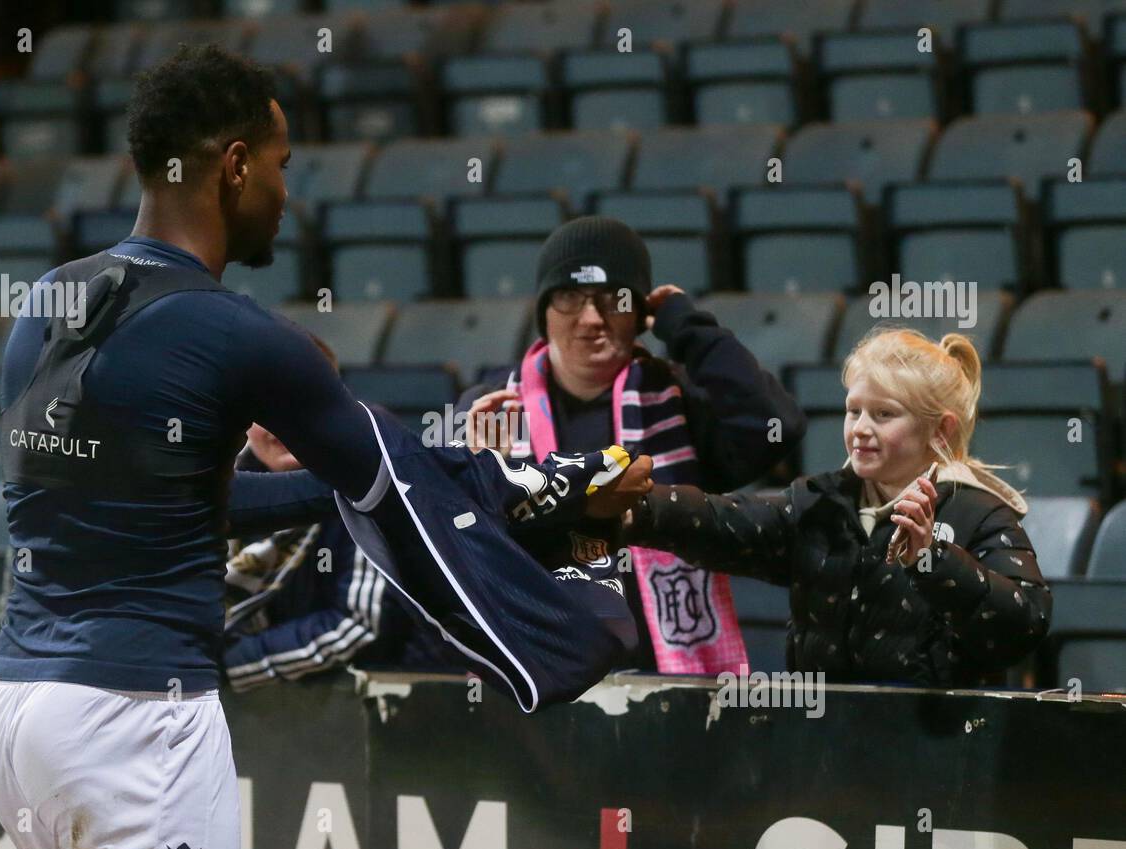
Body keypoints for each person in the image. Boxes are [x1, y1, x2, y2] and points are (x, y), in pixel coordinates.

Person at [0, 44, 651, 849]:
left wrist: (329, 496)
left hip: (13, 715)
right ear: (232, 166)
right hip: (136, 718)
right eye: (279, 164)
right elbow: (390, 475)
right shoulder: (234, 332)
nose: (285, 194)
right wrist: (567, 487)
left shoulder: (45, 305)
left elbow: (195, 508)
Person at [457, 216, 806, 676]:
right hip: (539, 665)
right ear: (543, 313)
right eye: (568, 298)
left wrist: (688, 327)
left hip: (664, 674)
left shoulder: (678, 399)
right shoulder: (491, 411)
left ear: (641, 316)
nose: (591, 319)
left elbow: (775, 424)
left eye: (613, 301)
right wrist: (483, 479)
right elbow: (455, 541)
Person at [615, 328, 1052, 686]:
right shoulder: (821, 503)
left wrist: (932, 563)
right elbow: (727, 523)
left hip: (937, 759)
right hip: (823, 753)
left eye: (883, 415)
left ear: (940, 429)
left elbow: (1024, 623)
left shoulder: (977, 512)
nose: (860, 429)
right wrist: (640, 508)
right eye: (853, 411)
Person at [224, 416, 460, 688]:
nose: (276, 423)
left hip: (396, 701)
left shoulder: (369, 479)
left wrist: (231, 663)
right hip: (273, 704)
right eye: (259, 411)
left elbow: (359, 626)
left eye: (291, 400)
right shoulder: (220, 485)